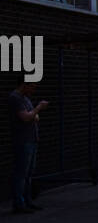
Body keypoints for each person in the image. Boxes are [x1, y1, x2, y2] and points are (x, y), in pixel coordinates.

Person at [8, 75, 48, 214]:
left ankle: (27, 200)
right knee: (21, 173)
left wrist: (33, 113)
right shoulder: (15, 98)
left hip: (31, 139)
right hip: (23, 141)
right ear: (25, 84)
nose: (33, 90)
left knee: (28, 173)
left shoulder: (25, 98)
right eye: (32, 86)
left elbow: (34, 117)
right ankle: (19, 203)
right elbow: (26, 117)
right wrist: (38, 108)